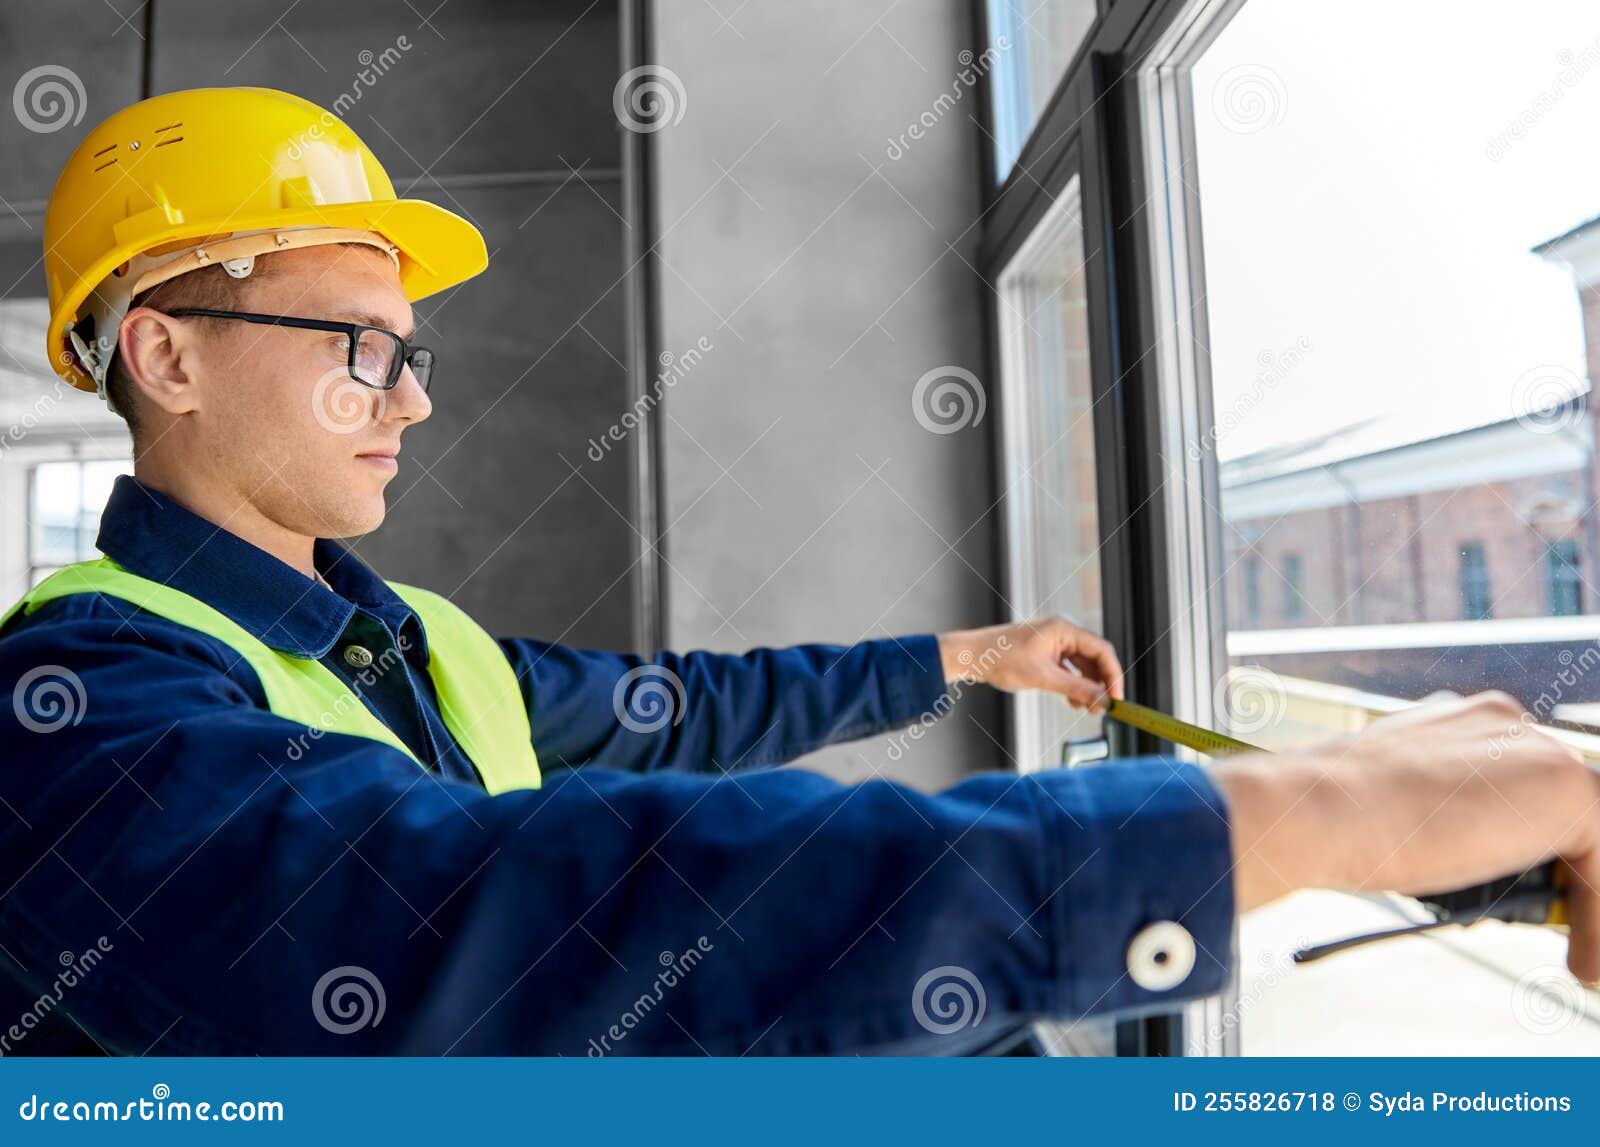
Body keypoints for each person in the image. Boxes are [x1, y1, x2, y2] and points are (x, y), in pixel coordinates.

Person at [0, 87, 1594, 1057]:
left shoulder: (413, 642)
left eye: (412, 354)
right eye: (359, 348)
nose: (409, 397)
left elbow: (683, 712)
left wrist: (969, 657)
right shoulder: (78, 707)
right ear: (167, 354)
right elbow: (468, 924)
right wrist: (1307, 812)